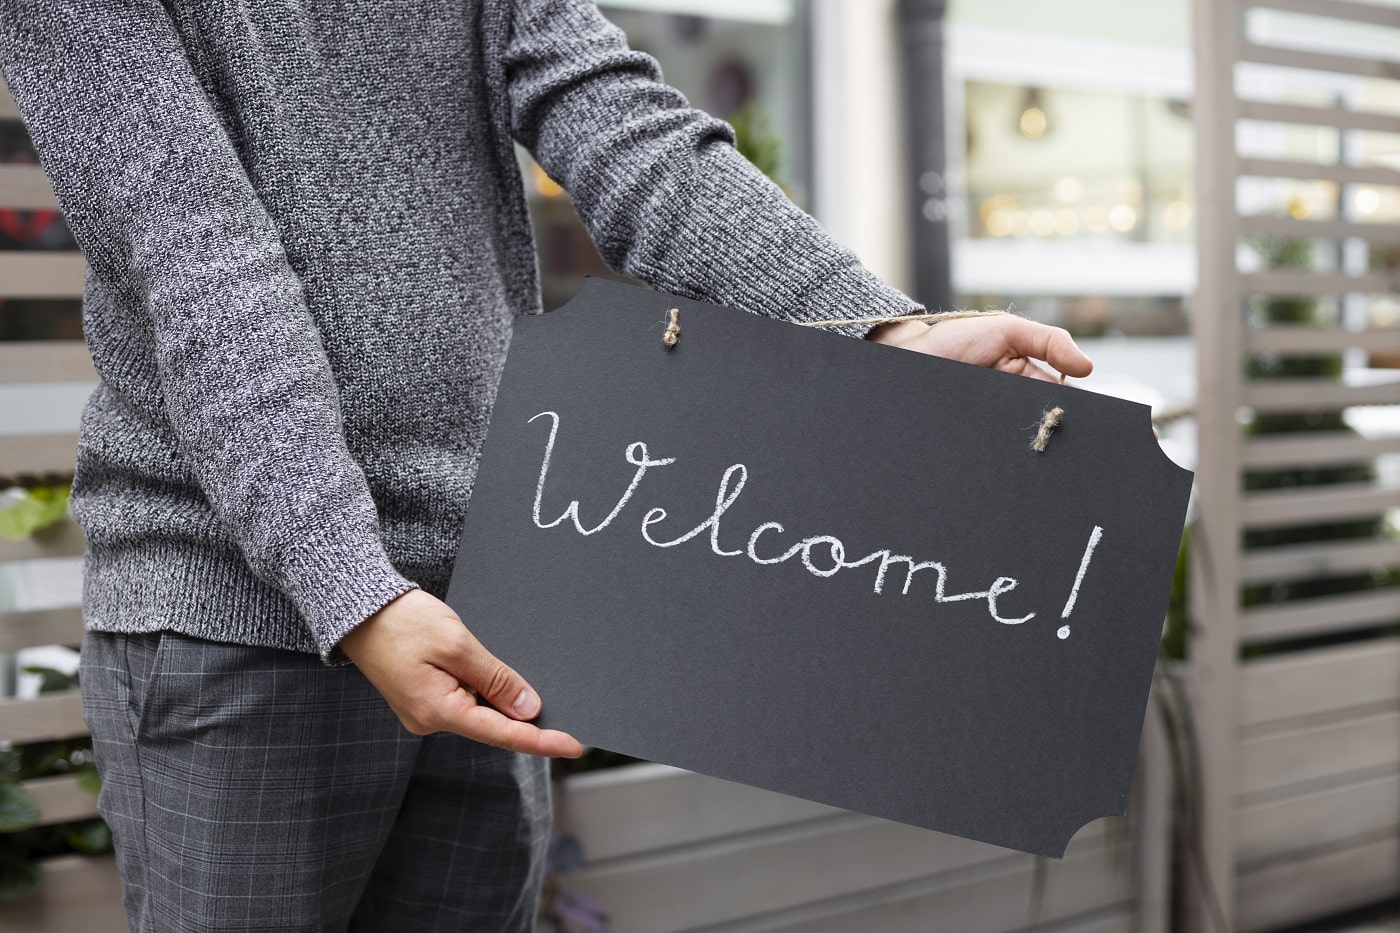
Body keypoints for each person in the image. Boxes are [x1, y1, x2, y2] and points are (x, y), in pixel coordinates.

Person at [0, 1, 1092, 930]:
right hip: (233, 622)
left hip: (479, 599)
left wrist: (877, 336)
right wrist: (350, 589)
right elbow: (193, 256)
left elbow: (628, 130)